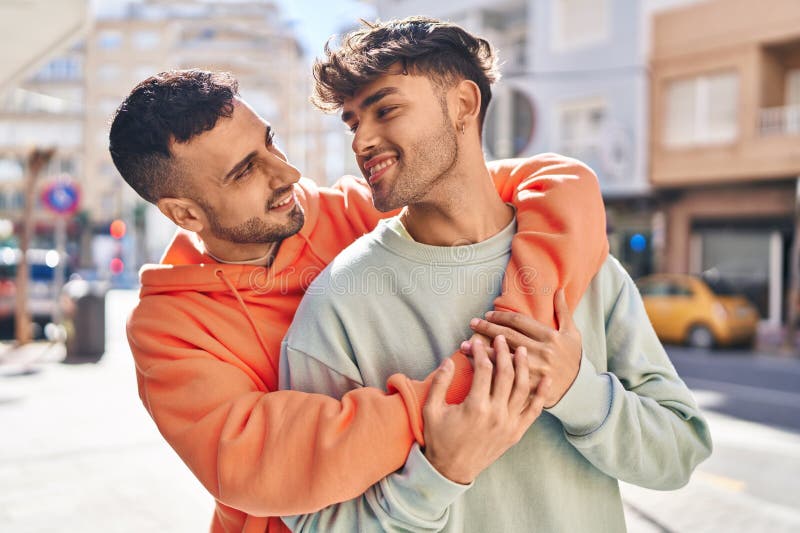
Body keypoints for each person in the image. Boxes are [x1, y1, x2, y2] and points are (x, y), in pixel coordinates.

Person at [111, 68, 609, 533]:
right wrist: (453, 400)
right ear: (185, 214)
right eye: (244, 172)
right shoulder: (167, 327)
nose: (285, 173)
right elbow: (257, 461)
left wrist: (512, 336)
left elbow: (558, 183)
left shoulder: (353, 210)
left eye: (269, 143)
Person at [280, 17, 713, 532]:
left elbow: (680, 453)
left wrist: (576, 390)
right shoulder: (339, 301)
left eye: (386, 110)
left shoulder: (583, 265)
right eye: (353, 123)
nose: (362, 141)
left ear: (463, 104)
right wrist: (441, 473)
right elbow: (310, 522)